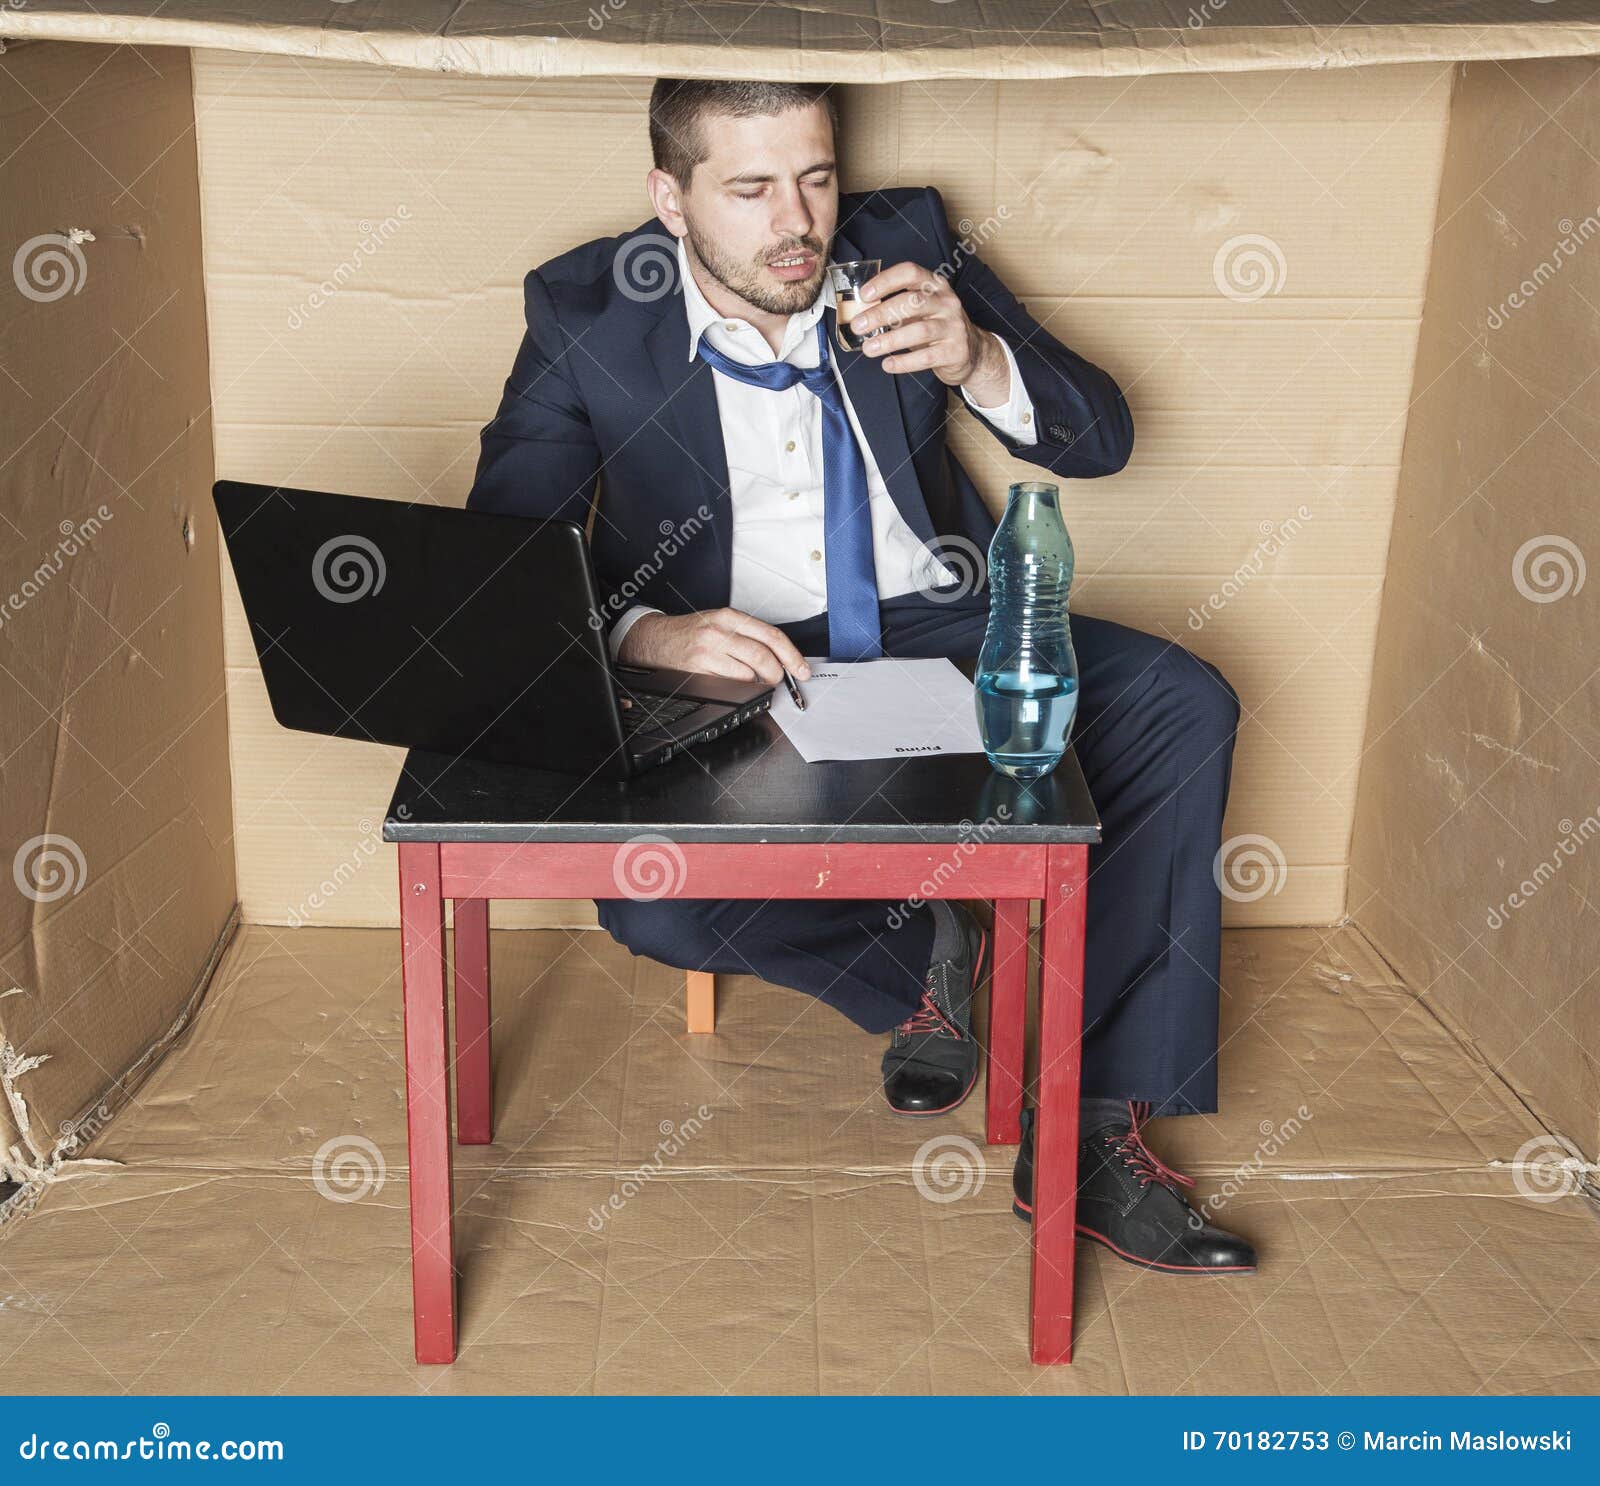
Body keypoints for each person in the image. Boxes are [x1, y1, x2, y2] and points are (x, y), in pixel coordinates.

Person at [466, 78, 1256, 1275]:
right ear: (670, 200)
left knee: (1180, 700)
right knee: (652, 905)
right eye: (749, 189)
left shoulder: (906, 247)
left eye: (816, 178)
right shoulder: (588, 311)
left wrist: (978, 357)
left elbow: (1101, 437)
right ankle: (927, 950)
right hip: (744, 663)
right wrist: (641, 636)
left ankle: (1091, 1126)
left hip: (947, 626)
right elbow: (504, 557)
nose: (797, 222)